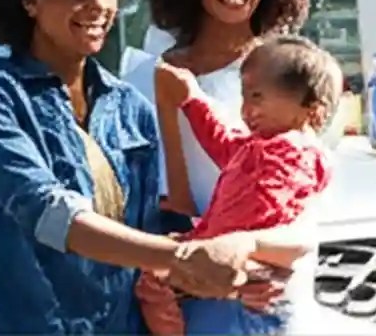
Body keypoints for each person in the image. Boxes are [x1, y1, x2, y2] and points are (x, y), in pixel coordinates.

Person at [0, 0, 270, 335]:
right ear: (29, 0)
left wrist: (237, 270)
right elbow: (46, 212)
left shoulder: (129, 107)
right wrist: (182, 257)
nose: (99, 6)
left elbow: (154, 228)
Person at [122, 0, 324, 333]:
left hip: (259, 288)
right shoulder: (145, 75)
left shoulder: (289, 77)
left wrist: (251, 260)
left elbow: (304, 201)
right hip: (174, 280)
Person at [136, 35, 339, 335]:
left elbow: (269, 218)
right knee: (152, 284)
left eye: (256, 96)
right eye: (244, 97)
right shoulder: (259, 148)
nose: (246, 110)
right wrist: (192, 99)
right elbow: (223, 142)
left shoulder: (295, 151)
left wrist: (220, 251)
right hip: (230, 274)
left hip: (249, 293)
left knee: (154, 284)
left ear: (310, 108)